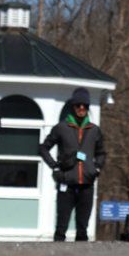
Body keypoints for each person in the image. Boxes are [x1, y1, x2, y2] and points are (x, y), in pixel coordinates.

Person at [39, 87, 105, 242]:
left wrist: (97, 168)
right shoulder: (61, 128)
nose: (82, 108)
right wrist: (54, 166)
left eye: (85, 105)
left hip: (87, 185)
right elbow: (43, 148)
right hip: (66, 183)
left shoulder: (95, 130)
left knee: (82, 230)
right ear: (73, 106)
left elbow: (101, 153)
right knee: (61, 228)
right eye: (78, 105)